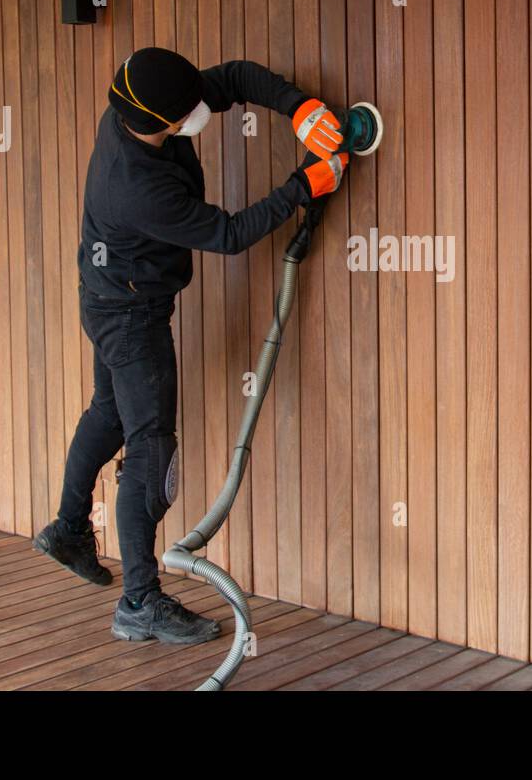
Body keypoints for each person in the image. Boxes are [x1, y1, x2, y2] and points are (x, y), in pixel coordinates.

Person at [33, 46, 349, 644]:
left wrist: (298, 105)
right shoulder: (137, 188)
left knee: (109, 413)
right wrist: (302, 186)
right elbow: (227, 234)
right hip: (131, 315)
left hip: (104, 294)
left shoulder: (137, 102)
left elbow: (230, 78)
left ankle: (70, 528)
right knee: (151, 451)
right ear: (164, 124)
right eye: (188, 114)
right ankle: (139, 601)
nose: (201, 110)